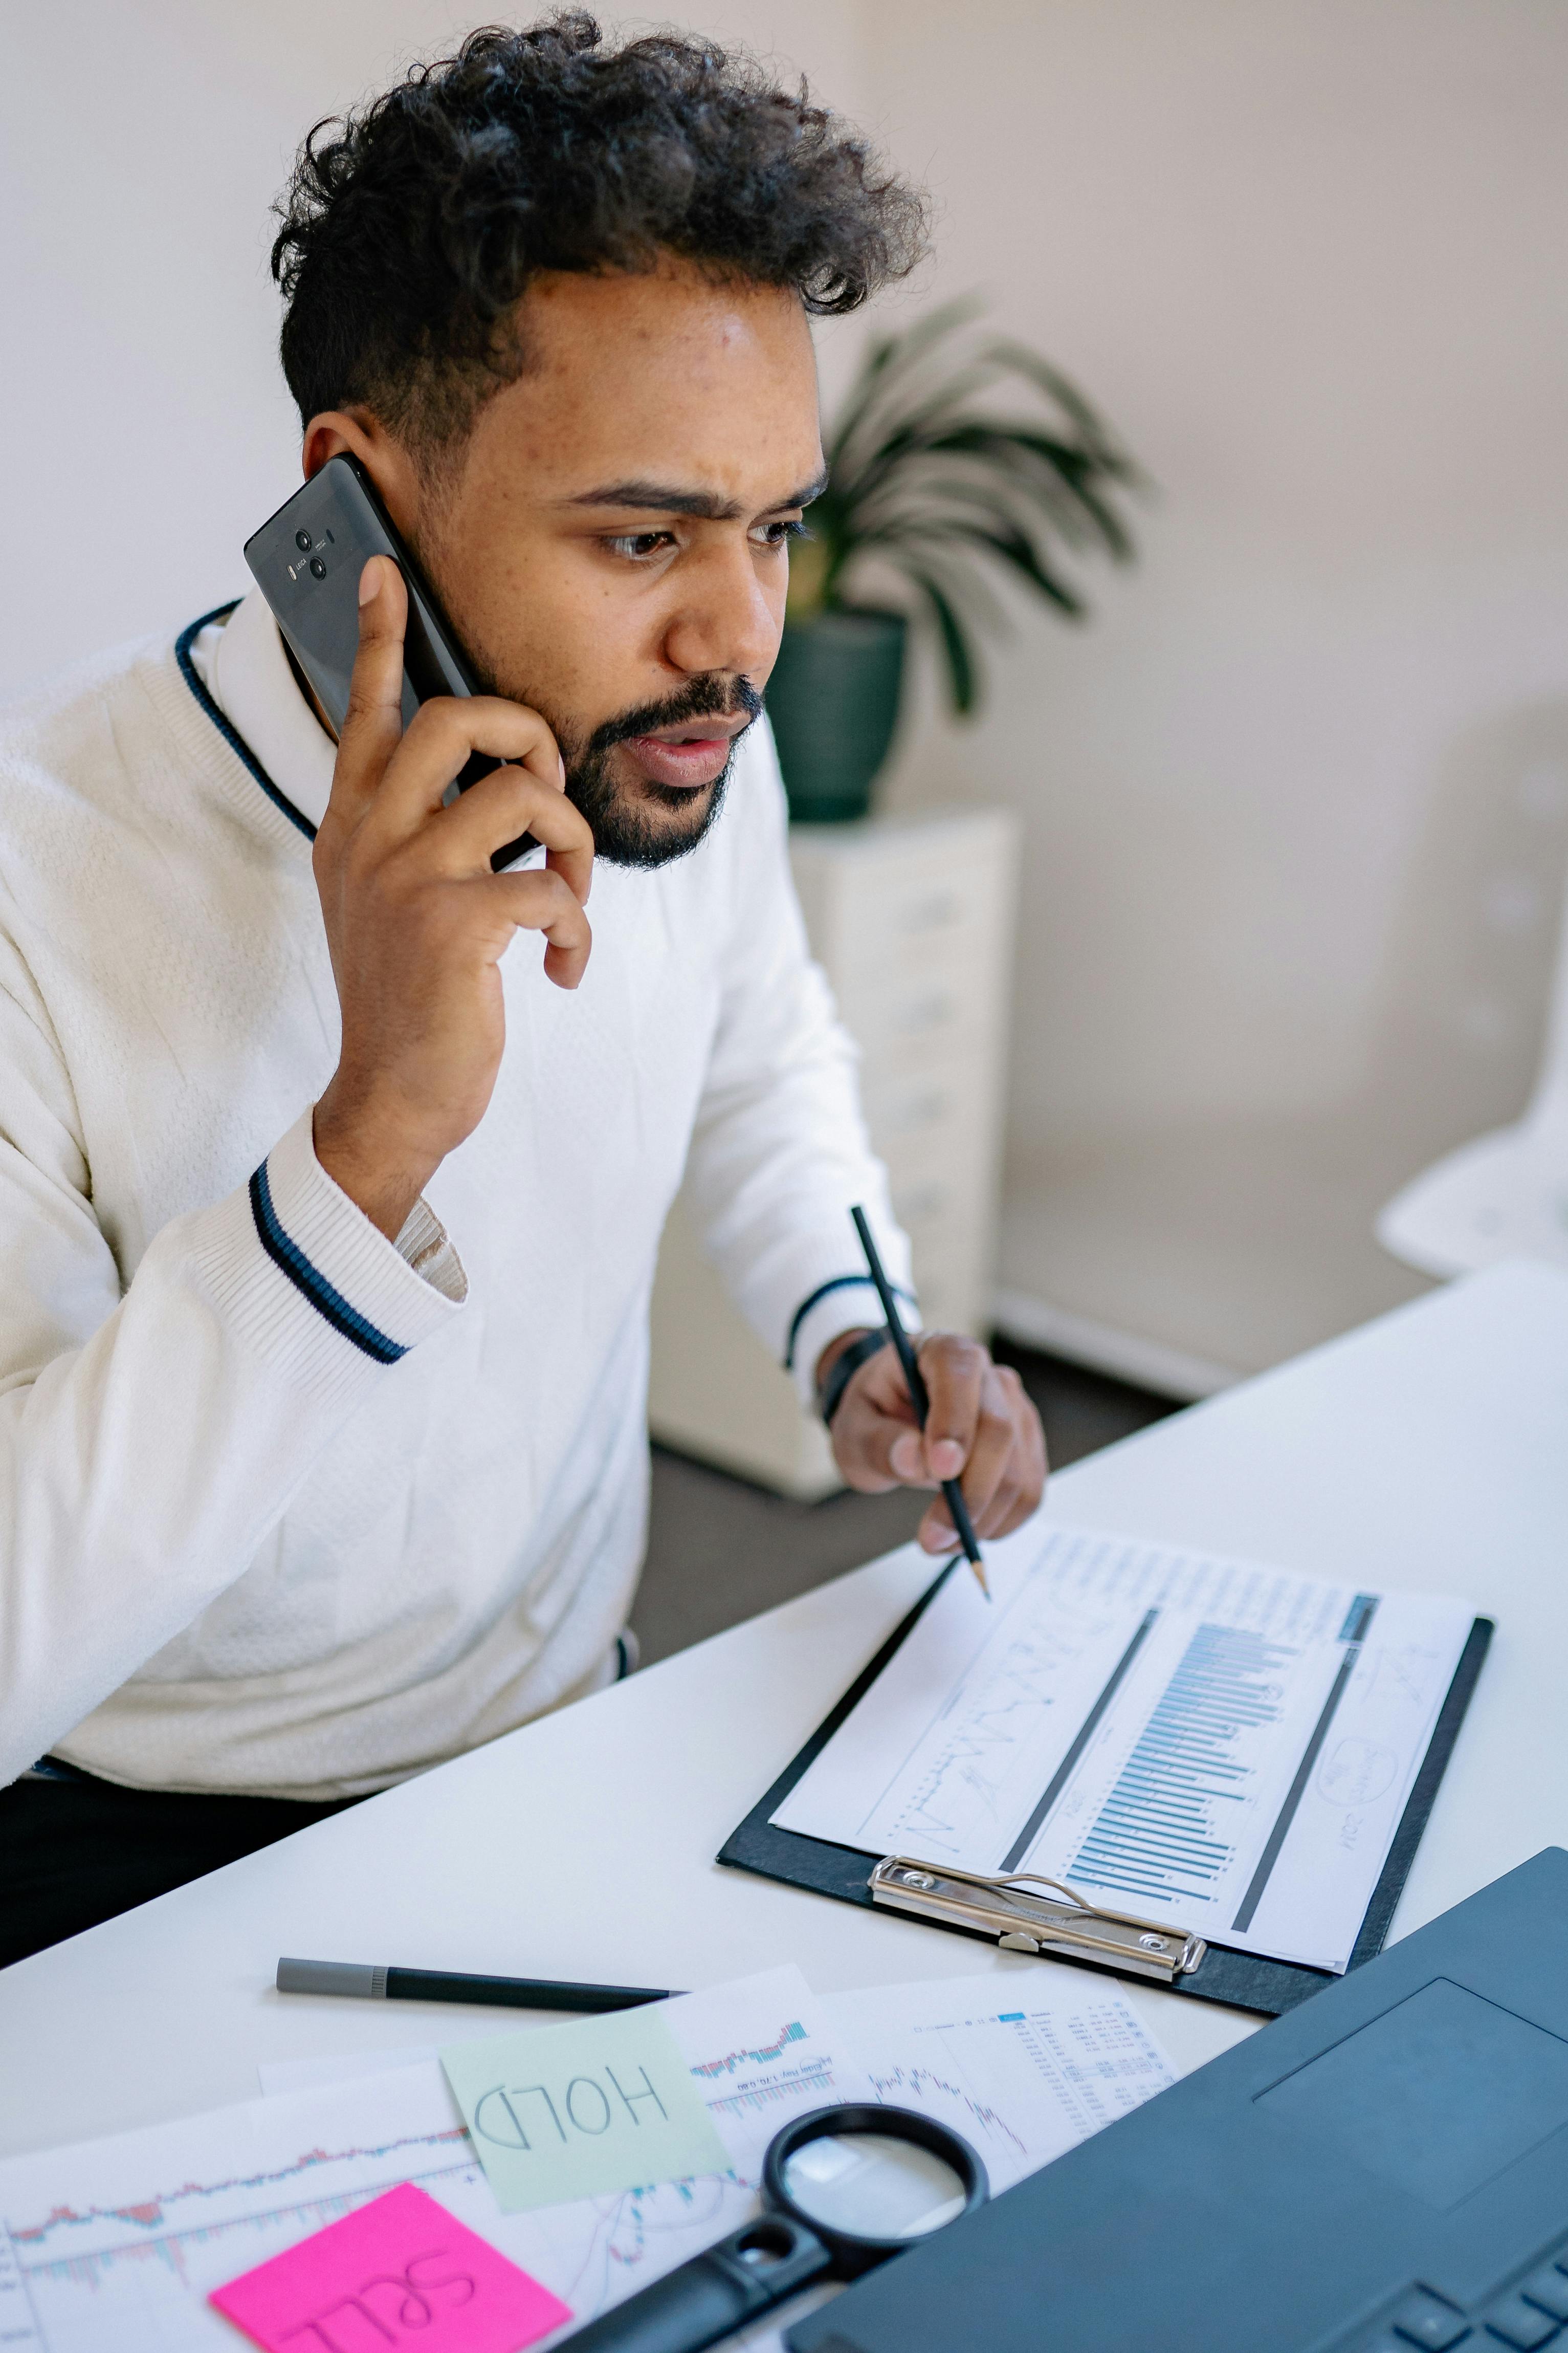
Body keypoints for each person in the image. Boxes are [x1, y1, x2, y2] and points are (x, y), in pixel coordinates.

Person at [0, 14, 1046, 1967]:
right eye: (644, 535)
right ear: (355, 505)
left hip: (571, 1735)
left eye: (776, 528)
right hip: (134, 1851)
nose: (739, 639)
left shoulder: (660, 745)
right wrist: (370, 1137)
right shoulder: (36, 872)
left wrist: (853, 1331)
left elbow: (759, 1061)